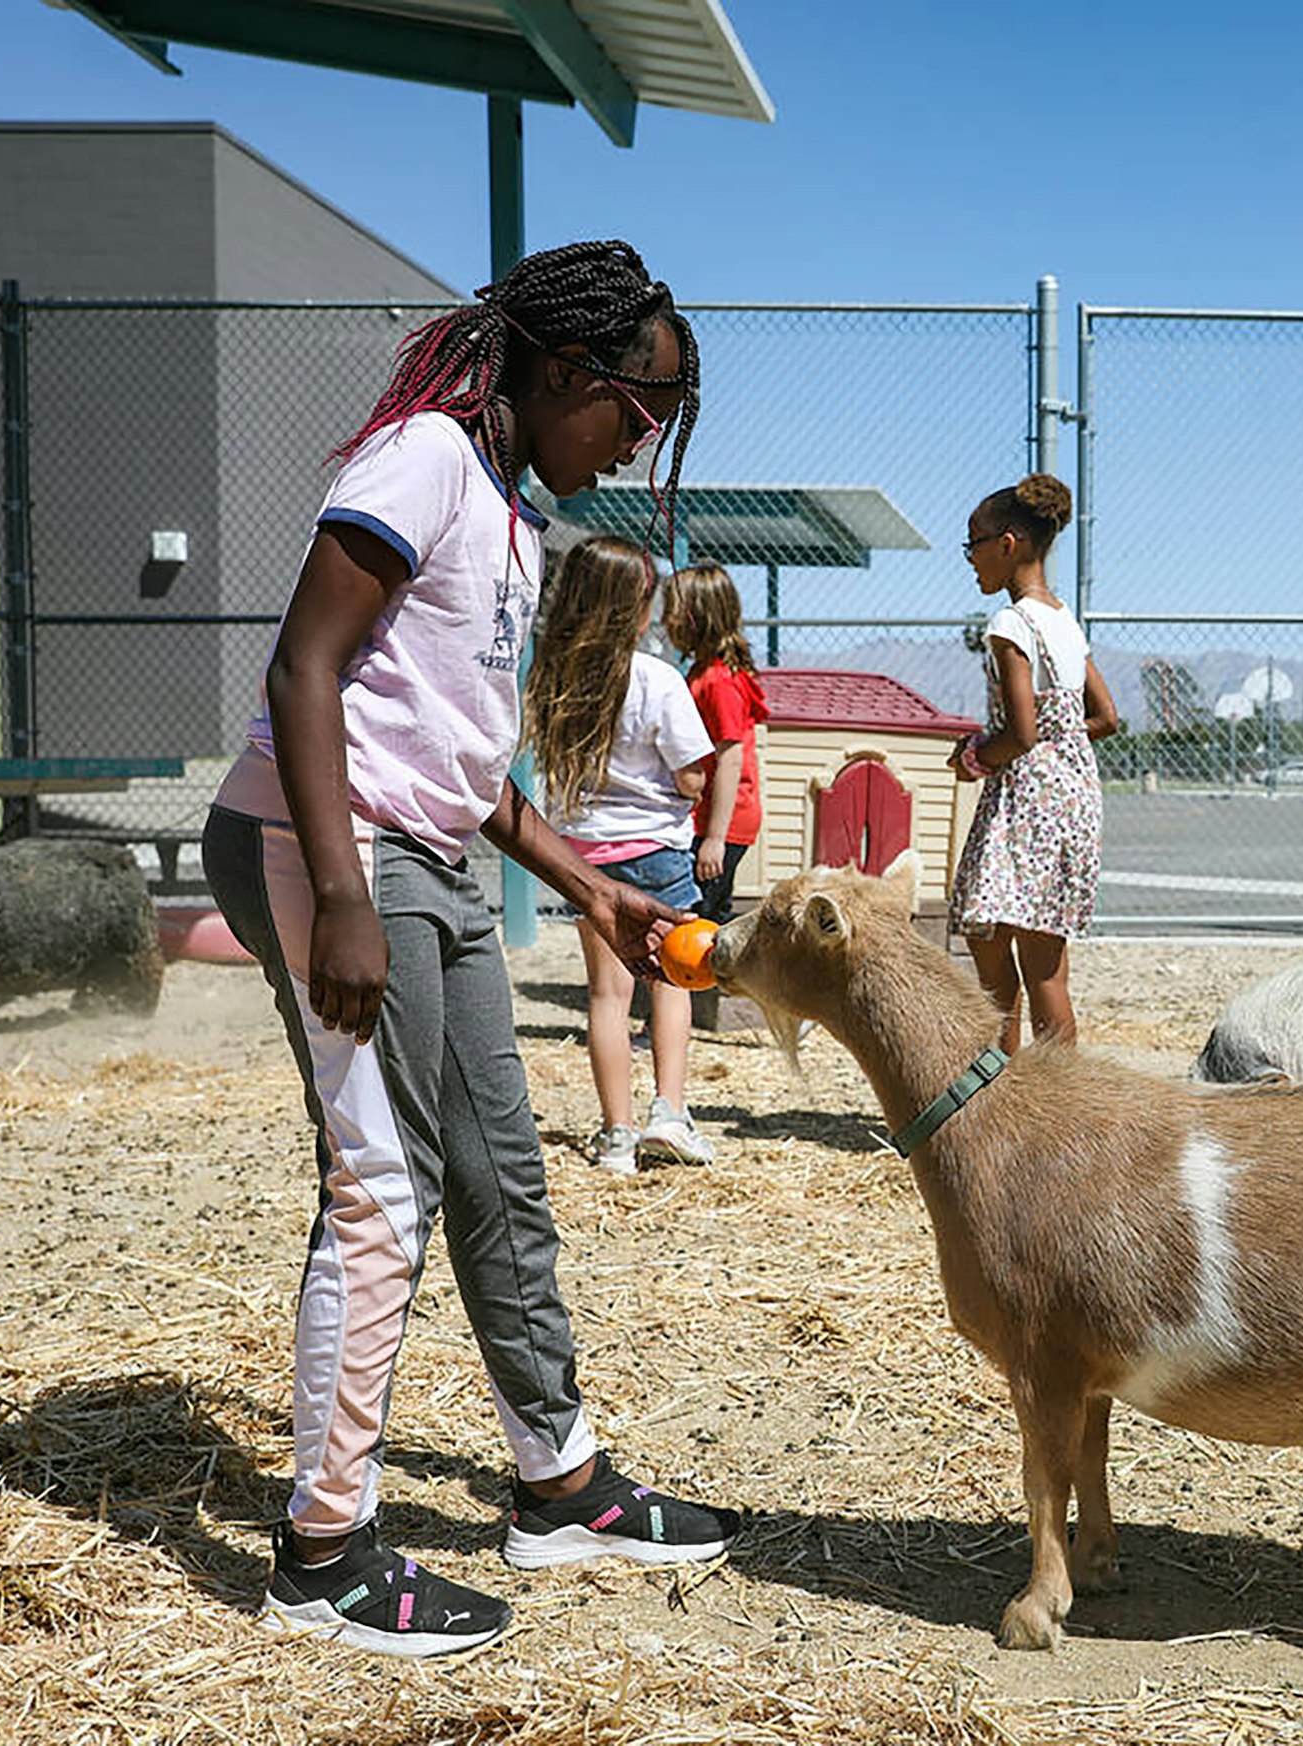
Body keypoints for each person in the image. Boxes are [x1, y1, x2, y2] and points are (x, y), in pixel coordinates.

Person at [200, 239, 736, 1661]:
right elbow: (303, 665)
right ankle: (323, 1550)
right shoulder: (425, 459)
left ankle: (557, 1480)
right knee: (383, 1183)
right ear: (566, 369)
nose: (643, 438)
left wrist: (598, 887)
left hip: (415, 849)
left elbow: (458, 759)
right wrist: (340, 889)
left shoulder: (511, 513)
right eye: (638, 406)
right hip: (330, 850)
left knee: (500, 1163)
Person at [525, 535, 720, 1175]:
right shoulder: (657, 678)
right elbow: (694, 775)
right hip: (657, 852)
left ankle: (616, 1135)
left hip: (585, 860)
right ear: (635, 607)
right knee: (673, 981)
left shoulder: (554, 677)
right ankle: (670, 1110)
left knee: (607, 997)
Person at [946, 472, 1119, 1050]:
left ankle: (1008, 1095)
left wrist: (973, 756)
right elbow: (1106, 717)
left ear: (1007, 544)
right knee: (1047, 969)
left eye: (973, 544)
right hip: (1072, 801)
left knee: (992, 957)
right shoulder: (1065, 622)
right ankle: (1063, 1102)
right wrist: (1054, 740)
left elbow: (1019, 733)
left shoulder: (1011, 623)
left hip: (1026, 808)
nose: (969, 559)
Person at [658, 561, 766, 926]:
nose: (665, 622)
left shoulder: (719, 682)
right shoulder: (703, 673)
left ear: (696, 618)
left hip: (722, 822)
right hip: (708, 819)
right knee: (705, 909)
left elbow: (731, 760)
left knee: (703, 915)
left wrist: (715, 839)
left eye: (672, 612)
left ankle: (700, 982)